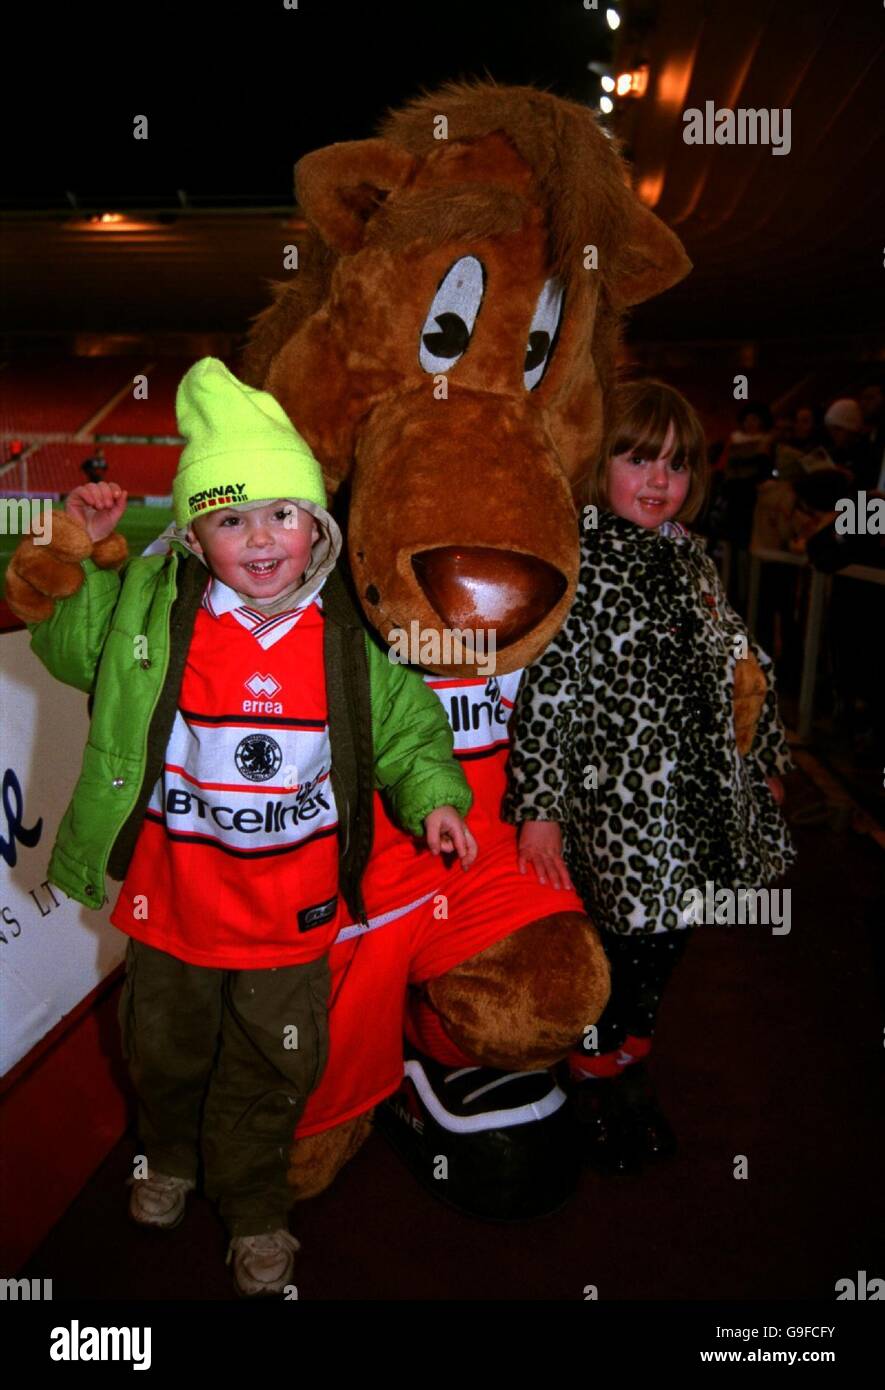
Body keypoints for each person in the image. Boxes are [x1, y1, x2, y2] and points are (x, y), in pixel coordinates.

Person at [19, 358, 476, 1295]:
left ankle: (255, 1206)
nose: (259, 537)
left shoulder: (352, 629)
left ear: (317, 522)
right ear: (193, 534)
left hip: (291, 918)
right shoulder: (154, 605)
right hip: (172, 903)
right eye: (229, 518)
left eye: (279, 512)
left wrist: (434, 798)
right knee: (164, 1052)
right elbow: (69, 654)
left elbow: (409, 728)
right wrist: (77, 560)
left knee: (273, 1069)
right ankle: (171, 1160)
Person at [503, 379, 795, 1174]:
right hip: (615, 803)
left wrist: (763, 761)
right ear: (602, 464)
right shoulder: (583, 558)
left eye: (674, 463)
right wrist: (541, 808)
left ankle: (625, 1053)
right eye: (638, 459)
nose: (658, 480)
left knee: (666, 939)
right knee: (625, 941)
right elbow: (550, 694)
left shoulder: (690, 555)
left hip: (692, 801)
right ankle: (600, 1076)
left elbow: (743, 665)